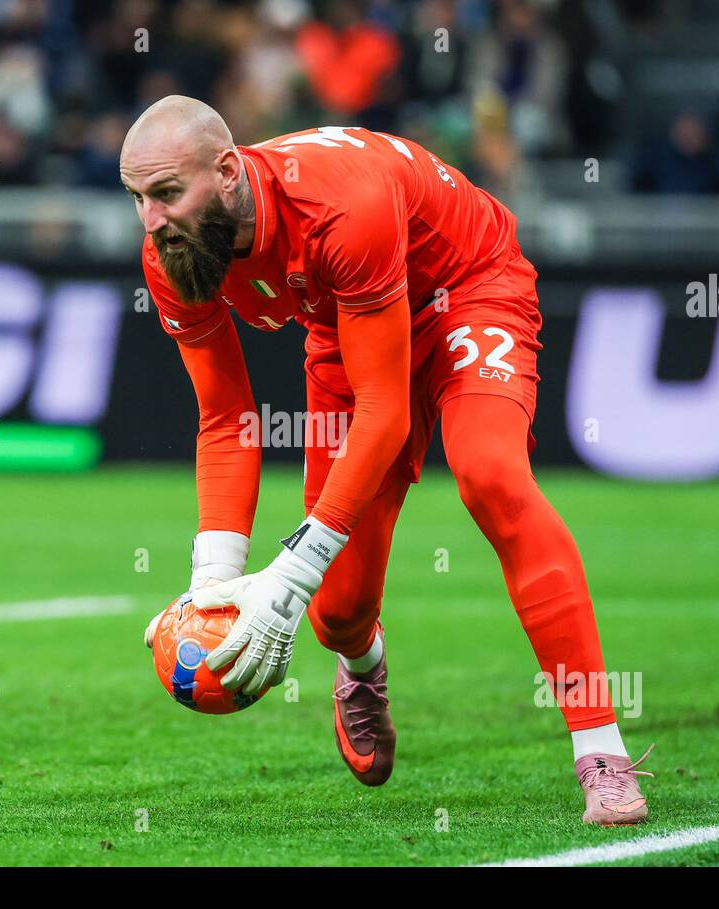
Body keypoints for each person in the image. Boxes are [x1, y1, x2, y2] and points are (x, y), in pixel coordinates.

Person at [125, 95, 652, 824]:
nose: (150, 221)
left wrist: (287, 575)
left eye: (166, 194)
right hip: (349, 325)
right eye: (138, 198)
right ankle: (363, 666)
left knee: (490, 475)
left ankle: (602, 749)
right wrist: (211, 585)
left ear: (225, 171)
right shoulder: (171, 251)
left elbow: (386, 412)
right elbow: (227, 418)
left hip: (466, 289)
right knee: (337, 613)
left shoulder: (340, 204)